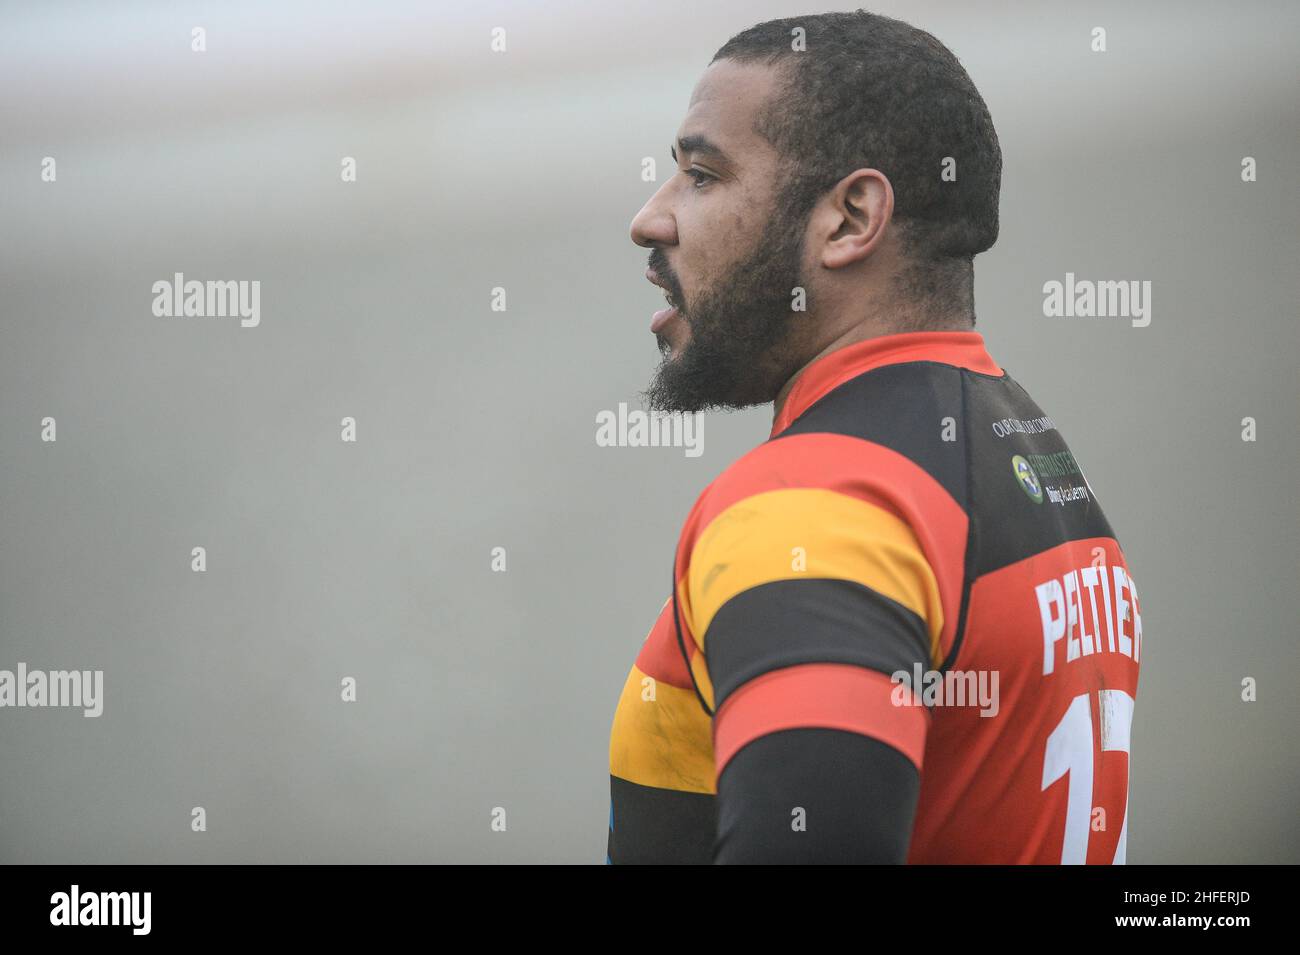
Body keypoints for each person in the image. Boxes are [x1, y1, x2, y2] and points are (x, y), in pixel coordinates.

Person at [608, 10, 1141, 863]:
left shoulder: (813, 507)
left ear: (851, 219)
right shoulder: (1025, 447)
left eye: (702, 175)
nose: (651, 218)